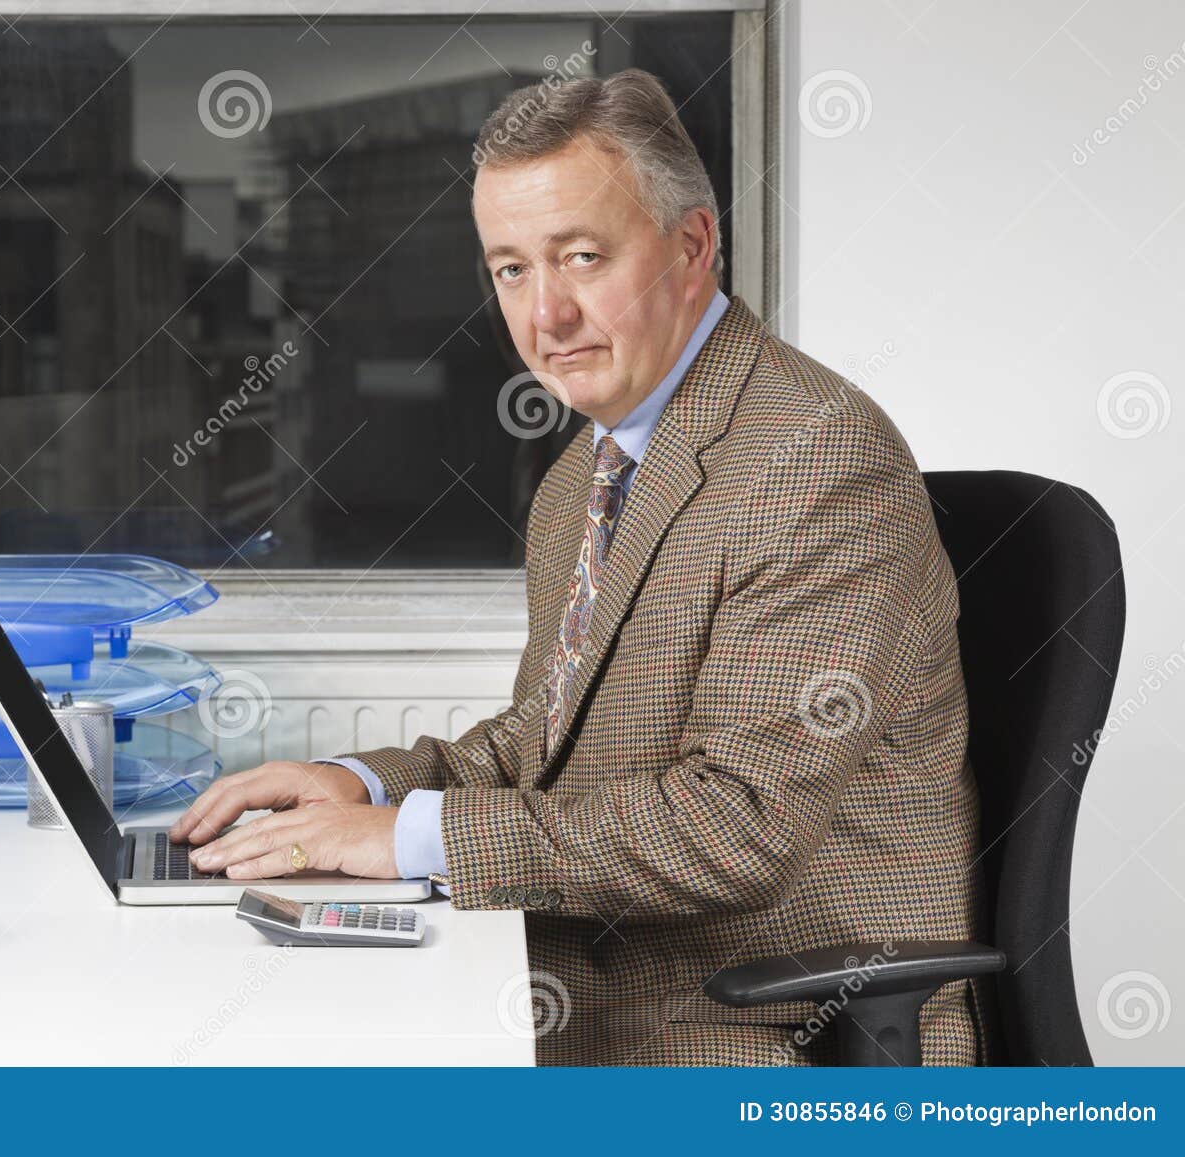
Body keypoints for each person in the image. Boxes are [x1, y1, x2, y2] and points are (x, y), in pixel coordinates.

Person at [169, 68, 985, 1067]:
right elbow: (546, 739)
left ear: (692, 247)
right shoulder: (582, 472)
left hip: (757, 1027)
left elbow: (739, 823)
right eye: (510, 268)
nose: (544, 315)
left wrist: (417, 840)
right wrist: (352, 788)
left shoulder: (813, 458)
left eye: (582, 257)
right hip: (585, 973)